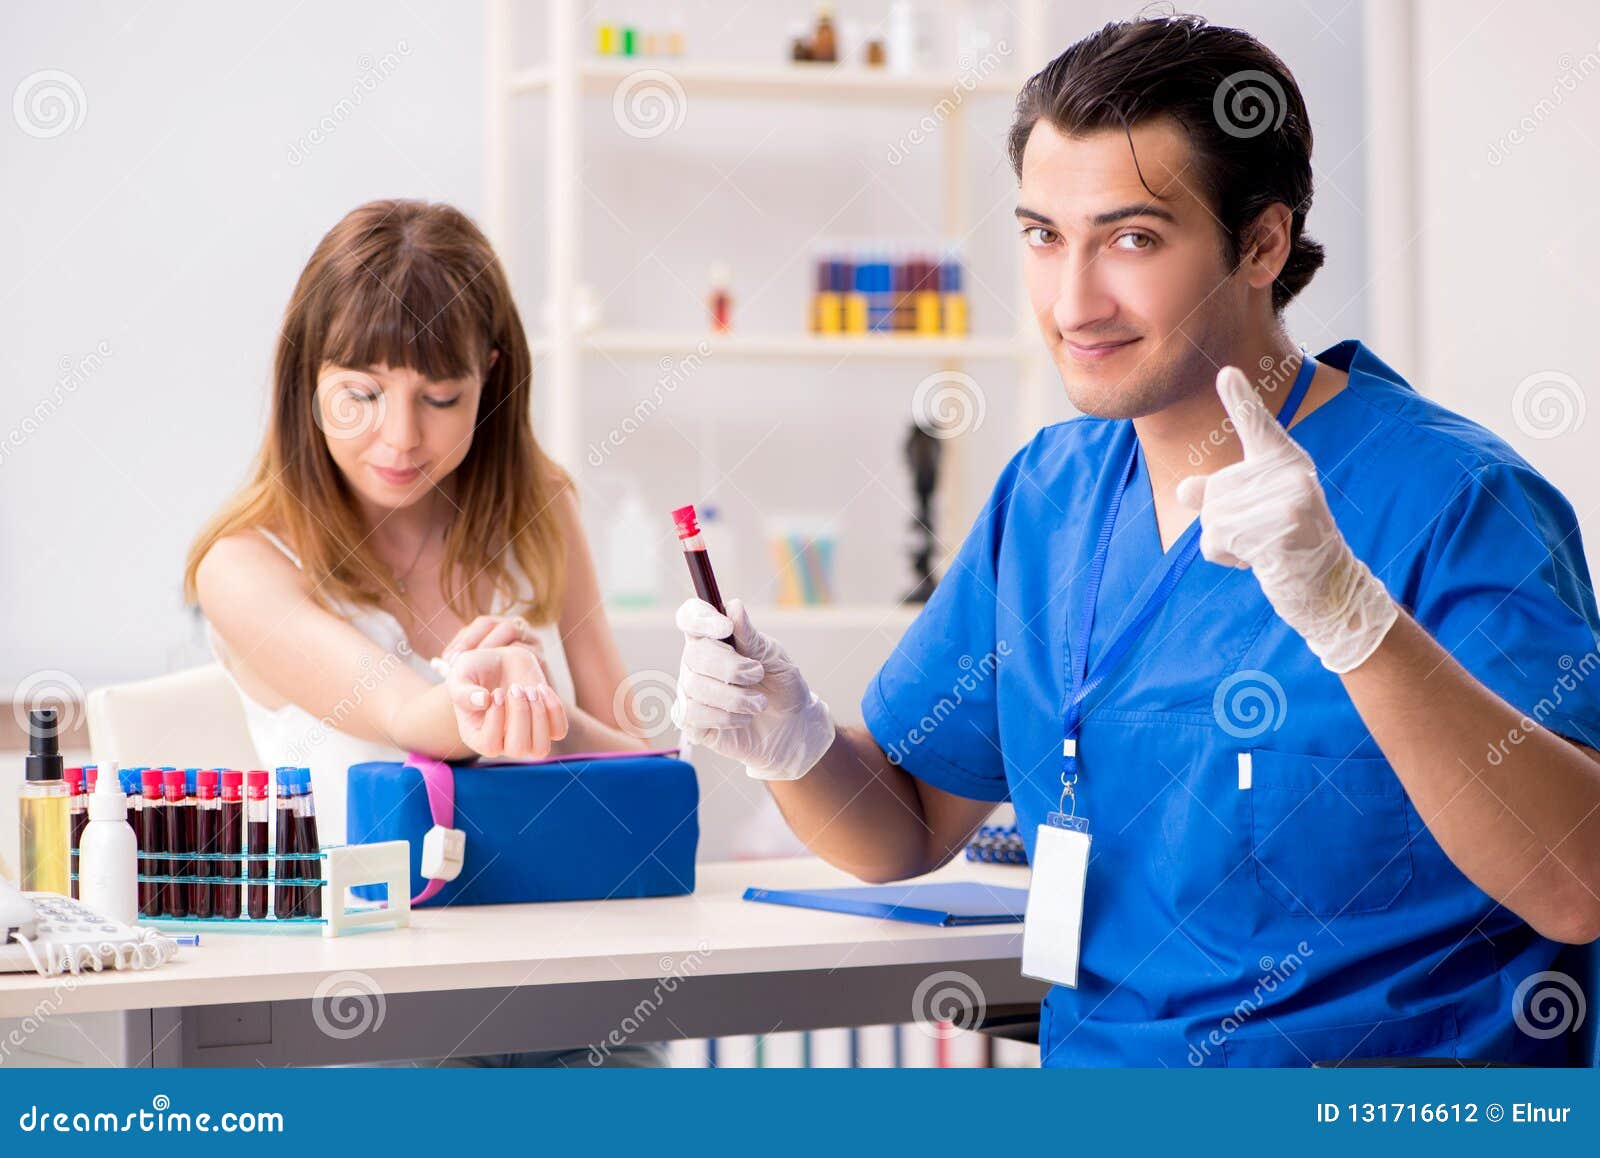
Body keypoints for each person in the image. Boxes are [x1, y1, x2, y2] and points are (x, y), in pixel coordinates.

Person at [674, 15, 1600, 1068]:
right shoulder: (1047, 495)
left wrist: (1358, 626)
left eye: (1132, 240)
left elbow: (1576, 887)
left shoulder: (1450, 498)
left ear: (1261, 244)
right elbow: (911, 821)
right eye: (1042, 236)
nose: (1073, 303)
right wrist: (792, 745)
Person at [184, 199, 658, 1067]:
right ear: (307, 379)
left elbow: (643, 776)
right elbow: (406, 715)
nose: (400, 438)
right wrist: (497, 699)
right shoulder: (244, 565)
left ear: (490, 375)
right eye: (361, 395)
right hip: (366, 1004)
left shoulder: (542, 511)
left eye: (441, 398)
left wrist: (545, 713)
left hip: (565, 980)